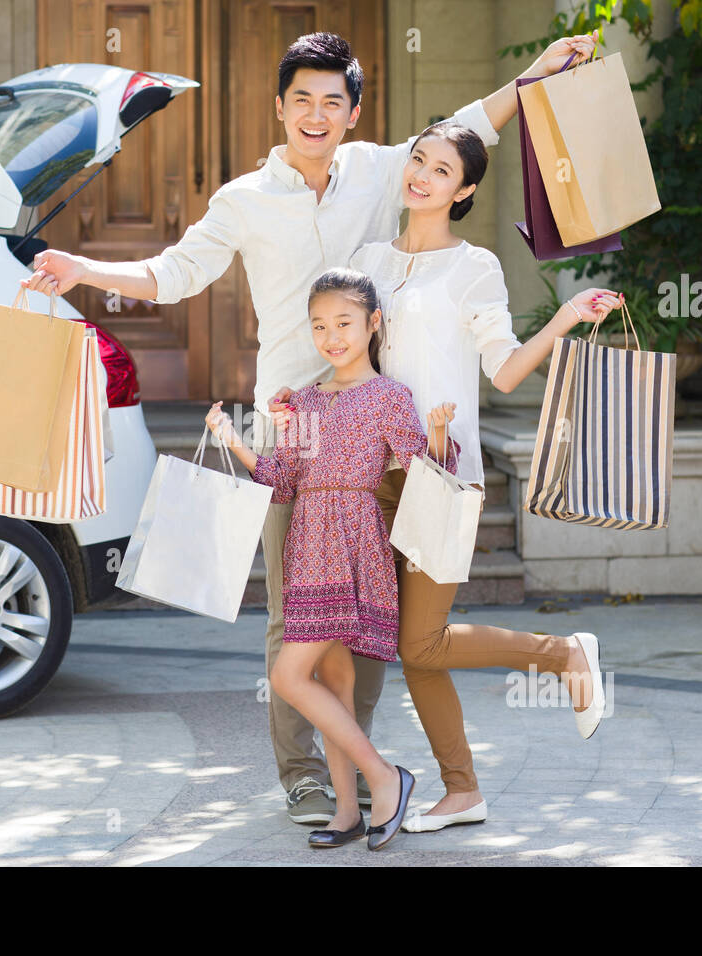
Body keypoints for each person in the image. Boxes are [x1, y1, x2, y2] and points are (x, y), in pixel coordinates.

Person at [21, 29, 601, 824]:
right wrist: (84, 269)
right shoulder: (242, 200)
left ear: (354, 111)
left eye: (334, 101)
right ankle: (302, 774)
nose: (317, 114)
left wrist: (533, 74)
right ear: (281, 107)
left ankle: (357, 762)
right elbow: (173, 273)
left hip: (377, 423)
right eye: (303, 100)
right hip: (291, 424)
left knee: (369, 612)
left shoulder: (378, 171)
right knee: (295, 613)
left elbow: (464, 134)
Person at [272, 120, 620, 832]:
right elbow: (346, 343)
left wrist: (563, 321)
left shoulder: (475, 267)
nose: (422, 176)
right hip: (370, 480)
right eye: (419, 160)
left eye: (441, 171)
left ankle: (562, 654)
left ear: (463, 191)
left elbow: (505, 366)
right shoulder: (369, 256)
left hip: (439, 472)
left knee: (419, 641)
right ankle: (461, 791)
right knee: (397, 644)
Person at [205, 268, 458, 849]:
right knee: (335, 682)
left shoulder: (389, 396)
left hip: (356, 541)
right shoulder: (307, 401)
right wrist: (234, 436)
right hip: (309, 542)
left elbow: (424, 471)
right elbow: (279, 483)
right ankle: (347, 810)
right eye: (319, 326)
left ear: (372, 324)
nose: (331, 336)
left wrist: (440, 433)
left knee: (289, 674)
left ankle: (384, 778)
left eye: (343, 323)